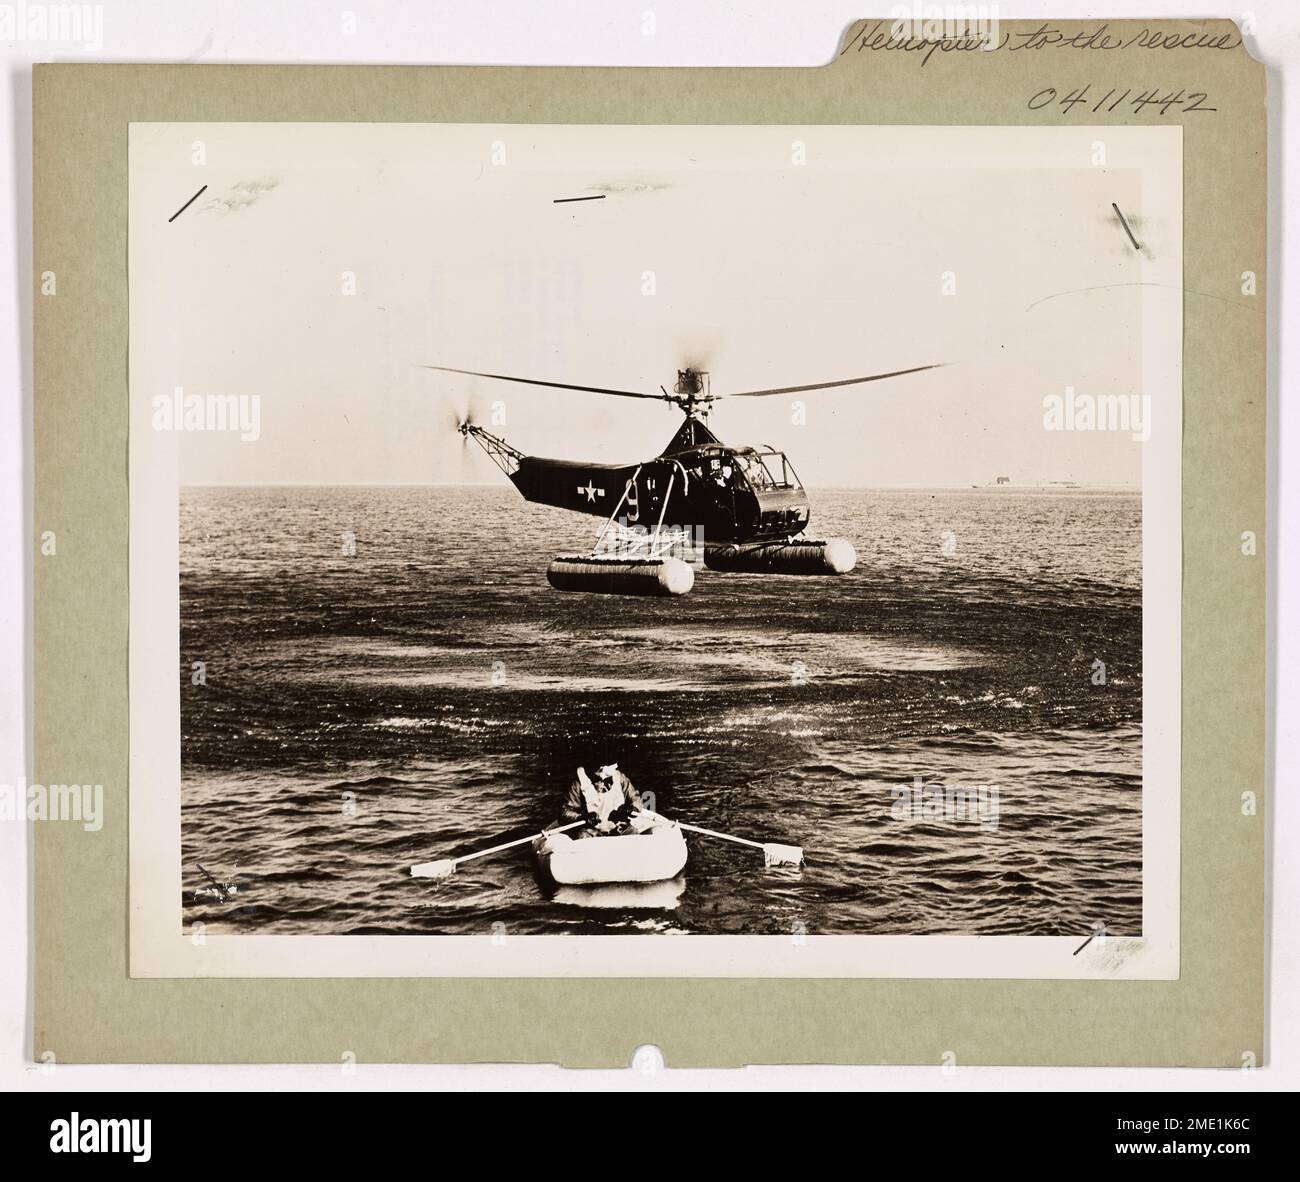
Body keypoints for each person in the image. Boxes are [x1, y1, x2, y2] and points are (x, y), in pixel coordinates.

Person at [554, 762, 644, 837]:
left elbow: (635, 798)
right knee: (582, 837)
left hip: (620, 828)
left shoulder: (619, 777)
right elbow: (564, 812)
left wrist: (632, 808)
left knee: (634, 834)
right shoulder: (579, 781)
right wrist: (581, 817)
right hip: (590, 831)